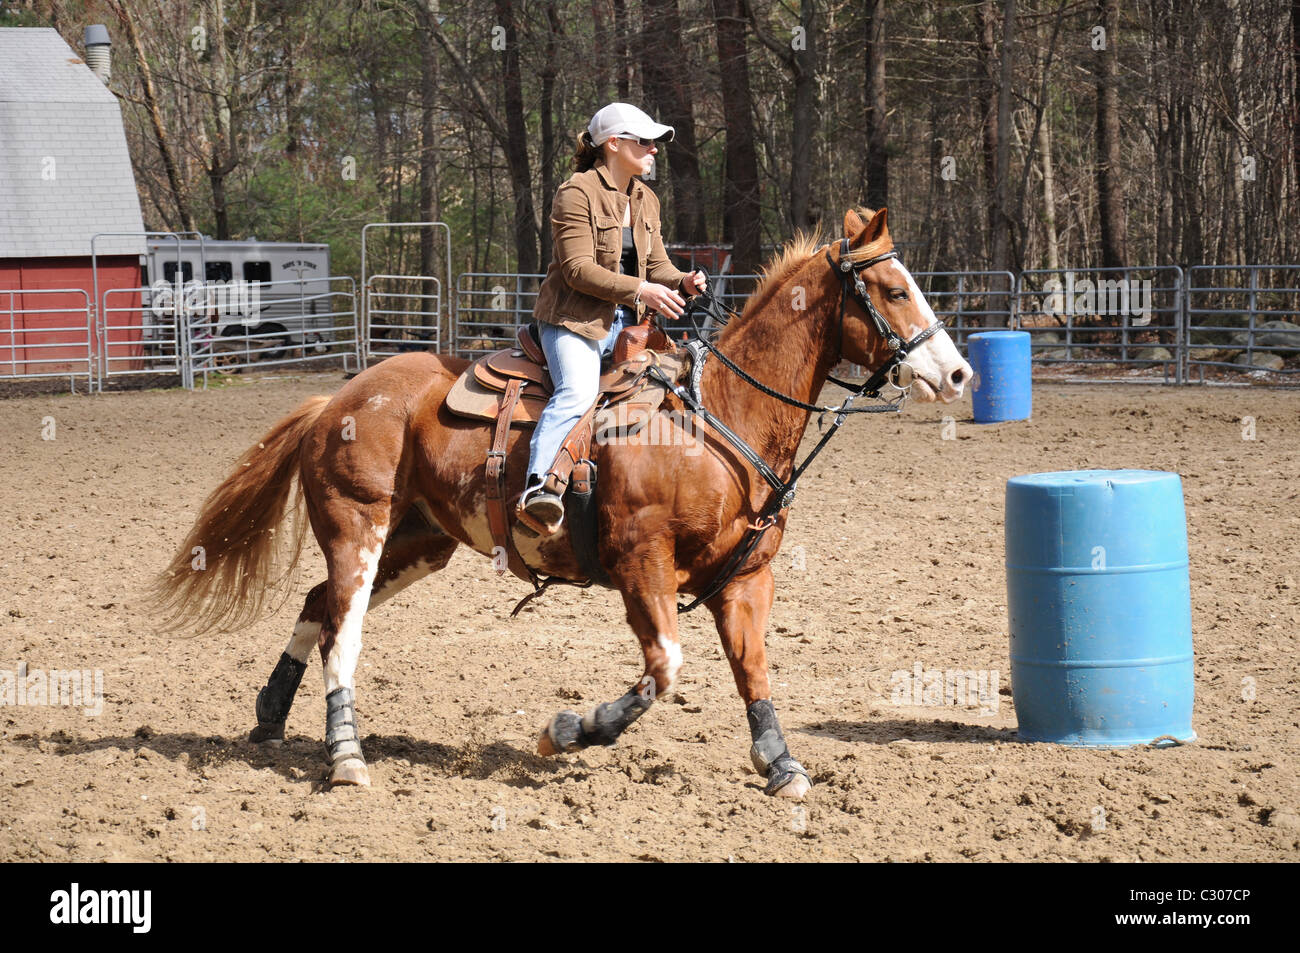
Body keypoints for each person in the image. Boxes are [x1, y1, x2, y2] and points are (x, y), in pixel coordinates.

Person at [520, 103, 707, 529]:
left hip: (629, 327)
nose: (654, 150)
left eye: (655, 143)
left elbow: (658, 267)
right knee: (578, 391)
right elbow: (578, 270)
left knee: (680, 387)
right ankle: (541, 485)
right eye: (644, 141)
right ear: (614, 144)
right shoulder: (576, 192)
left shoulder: (646, 199)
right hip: (573, 321)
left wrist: (683, 282)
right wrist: (642, 289)